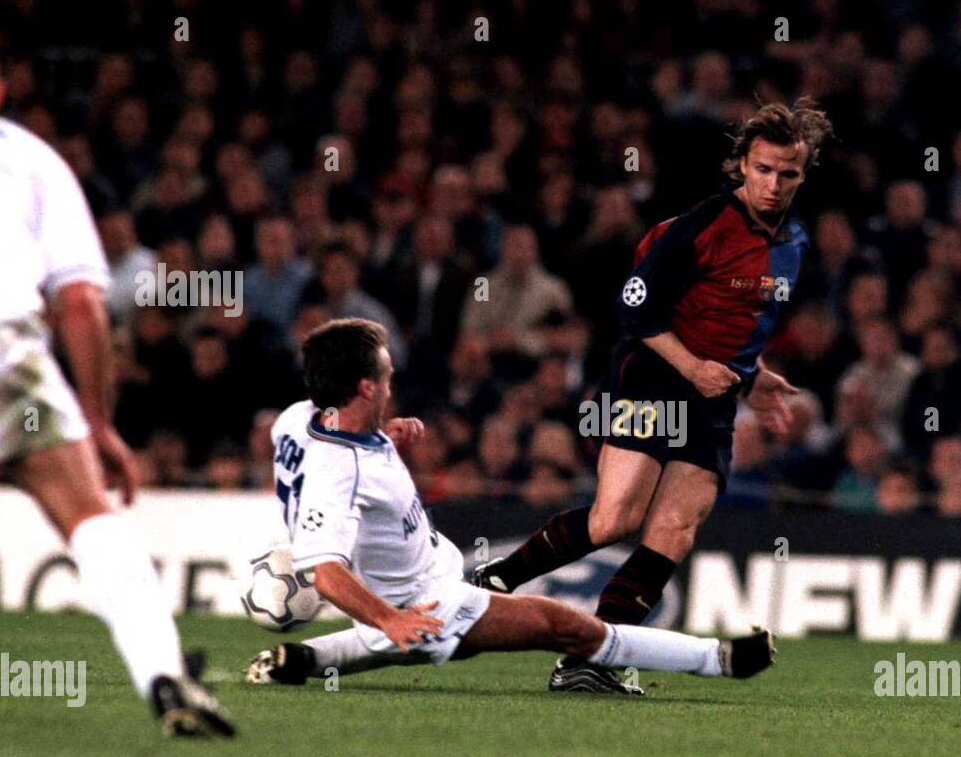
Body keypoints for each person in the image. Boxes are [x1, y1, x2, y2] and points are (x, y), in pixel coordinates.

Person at [469, 100, 830, 694]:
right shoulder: (699, 228)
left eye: (787, 174)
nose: (773, 184)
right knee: (616, 519)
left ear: (802, 174)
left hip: (715, 393)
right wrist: (694, 366)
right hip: (654, 375)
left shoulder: (794, 241)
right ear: (741, 165)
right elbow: (634, 309)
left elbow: (738, 320)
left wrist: (756, 375)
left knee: (677, 527)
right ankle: (496, 580)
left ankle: (592, 658)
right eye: (763, 169)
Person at [245, 319, 774, 690]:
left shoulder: (301, 418)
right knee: (564, 626)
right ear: (364, 387)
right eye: (384, 376)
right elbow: (324, 570)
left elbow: (338, 450)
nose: (391, 382)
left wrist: (385, 432)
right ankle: (718, 660)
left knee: (423, 641)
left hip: (430, 580)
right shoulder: (341, 472)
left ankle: (307, 660)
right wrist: (389, 619)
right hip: (427, 603)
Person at [0, 42, 232, 736]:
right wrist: (98, 422)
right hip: (1, 355)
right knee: (90, 518)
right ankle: (163, 674)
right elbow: (84, 303)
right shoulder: (32, 159)